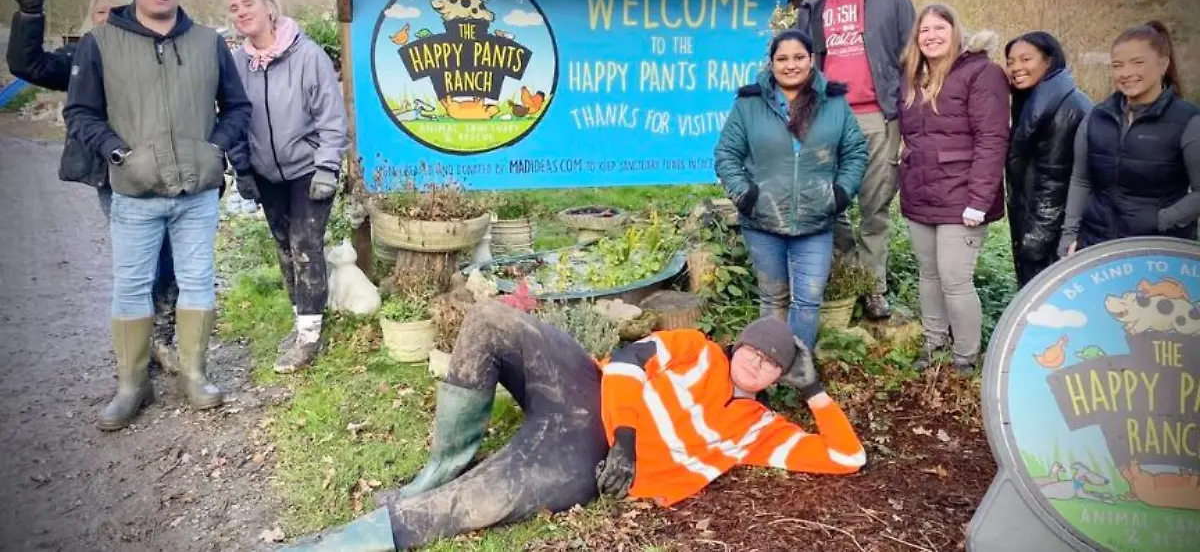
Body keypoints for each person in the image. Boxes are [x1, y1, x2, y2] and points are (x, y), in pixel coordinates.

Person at [279, 303, 865, 551]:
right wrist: (631, 440)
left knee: (481, 502)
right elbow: (631, 362)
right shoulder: (698, 350)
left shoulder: (759, 430)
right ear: (739, 343)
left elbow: (847, 459)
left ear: (778, 378)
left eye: (772, 366)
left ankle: (341, 543)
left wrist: (814, 392)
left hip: (585, 463)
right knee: (489, 320)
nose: (756, 365)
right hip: (586, 385)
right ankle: (441, 465)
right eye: (754, 352)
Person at [63, 0, 252, 430]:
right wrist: (117, 153)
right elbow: (80, 112)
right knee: (130, 285)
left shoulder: (210, 43)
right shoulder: (101, 42)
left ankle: (194, 374)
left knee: (196, 281)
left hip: (198, 194)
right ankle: (132, 385)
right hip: (135, 193)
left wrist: (215, 149)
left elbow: (237, 108)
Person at [2, 0, 184, 374]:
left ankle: (164, 333)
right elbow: (29, 65)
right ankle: (139, 342)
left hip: (162, 167)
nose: (109, 18)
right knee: (135, 256)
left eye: (118, 9)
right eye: (101, 12)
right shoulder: (82, 53)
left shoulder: (154, 51)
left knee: (169, 251)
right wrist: (31, 14)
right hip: (111, 173)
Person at [714, 29, 868, 350]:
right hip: (762, 221)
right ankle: (768, 365)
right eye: (782, 59)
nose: (791, 65)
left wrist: (840, 193)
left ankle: (799, 369)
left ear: (811, 60)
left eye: (799, 57)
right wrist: (746, 195)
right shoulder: (749, 104)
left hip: (816, 220)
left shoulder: (834, 103)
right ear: (771, 64)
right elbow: (726, 154)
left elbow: (855, 152)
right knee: (772, 298)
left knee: (808, 301)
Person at [794, 0, 916, 320]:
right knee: (833, 202)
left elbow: (912, 58)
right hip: (830, 116)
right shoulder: (813, 6)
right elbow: (801, 63)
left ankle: (874, 288)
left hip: (878, 116)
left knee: (875, 205)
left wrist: (907, 115)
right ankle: (849, 276)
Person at [225, 0, 347, 373]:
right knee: (283, 246)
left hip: (307, 168)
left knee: (305, 244)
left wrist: (328, 166)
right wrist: (242, 168)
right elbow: (233, 118)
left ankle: (310, 339)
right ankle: (302, 324)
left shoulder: (307, 55)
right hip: (265, 172)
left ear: (269, 7)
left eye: (248, 4)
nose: (241, 12)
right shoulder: (238, 64)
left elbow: (331, 115)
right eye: (234, 8)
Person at [895, 4, 1009, 373]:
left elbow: (992, 140)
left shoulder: (982, 73)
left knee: (955, 279)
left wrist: (979, 200)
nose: (931, 35)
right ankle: (933, 341)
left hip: (963, 197)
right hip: (920, 192)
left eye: (939, 27)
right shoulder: (913, 76)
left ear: (955, 30)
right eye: (923, 30)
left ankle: (966, 355)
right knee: (928, 274)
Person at [1058, 21, 1200, 255]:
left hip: (1158, 249)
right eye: (1117, 65)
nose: (1126, 73)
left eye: (1138, 63)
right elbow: (1081, 180)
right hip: (1097, 243)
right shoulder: (1096, 116)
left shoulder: (1189, 121)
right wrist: (1070, 235)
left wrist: (1161, 220)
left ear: (1163, 64)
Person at [1004, 32, 1091, 287]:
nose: (1016, 68)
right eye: (1010, 62)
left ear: (1049, 60)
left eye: (1025, 59)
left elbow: (1054, 183)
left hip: (1055, 235)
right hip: (1038, 224)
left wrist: (1034, 242)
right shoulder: (1037, 102)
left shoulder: (1064, 108)